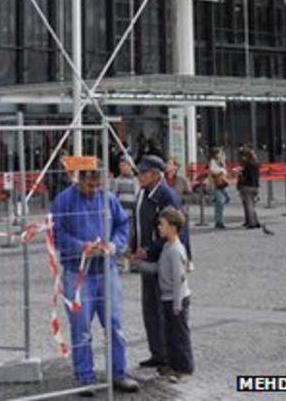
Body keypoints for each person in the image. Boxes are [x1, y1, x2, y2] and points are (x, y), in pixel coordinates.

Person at [51, 163, 140, 395]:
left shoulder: (108, 198)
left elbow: (122, 224)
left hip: (107, 271)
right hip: (77, 273)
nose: (94, 190)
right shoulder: (64, 201)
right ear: (79, 179)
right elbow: (56, 234)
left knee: (115, 325)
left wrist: (115, 244)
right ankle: (85, 376)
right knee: (81, 329)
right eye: (89, 185)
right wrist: (81, 247)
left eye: (97, 185)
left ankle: (119, 373)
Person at [128, 154, 190, 373]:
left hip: (162, 259)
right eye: (139, 172)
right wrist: (133, 246)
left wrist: (150, 250)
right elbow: (137, 224)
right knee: (150, 308)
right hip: (146, 257)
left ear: (156, 175)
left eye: (144, 173)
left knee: (164, 308)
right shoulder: (143, 193)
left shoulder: (166, 196)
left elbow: (175, 230)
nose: (140, 176)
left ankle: (169, 357)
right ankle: (157, 352)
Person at [134, 207, 193, 383]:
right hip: (168, 298)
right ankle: (173, 367)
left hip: (176, 299)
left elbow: (179, 279)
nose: (158, 227)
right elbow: (157, 268)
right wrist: (138, 264)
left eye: (162, 224)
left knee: (179, 335)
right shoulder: (167, 246)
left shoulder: (174, 250)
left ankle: (183, 369)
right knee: (170, 335)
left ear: (172, 227)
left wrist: (177, 304)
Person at [233, 146, 262, 230]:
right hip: (255, 186)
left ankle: (252, 223)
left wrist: (239, 174)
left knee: (249, 205)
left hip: (246, 186)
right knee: (252, 205)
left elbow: (244, 177)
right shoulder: (256, 164)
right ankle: (255, 221)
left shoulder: (246, 165)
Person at [207, 147, 229, 229]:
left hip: (222, 183)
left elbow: (226, 172)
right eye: (220, 153)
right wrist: (221, 171)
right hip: (216, 184)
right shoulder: (212, 161)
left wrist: (223, 162)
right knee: (220, 202)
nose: (221, 155)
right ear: (216, 154)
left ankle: (219, 220)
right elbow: (212, 171)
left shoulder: (221, 162)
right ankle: (219, 221)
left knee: (221, 202)